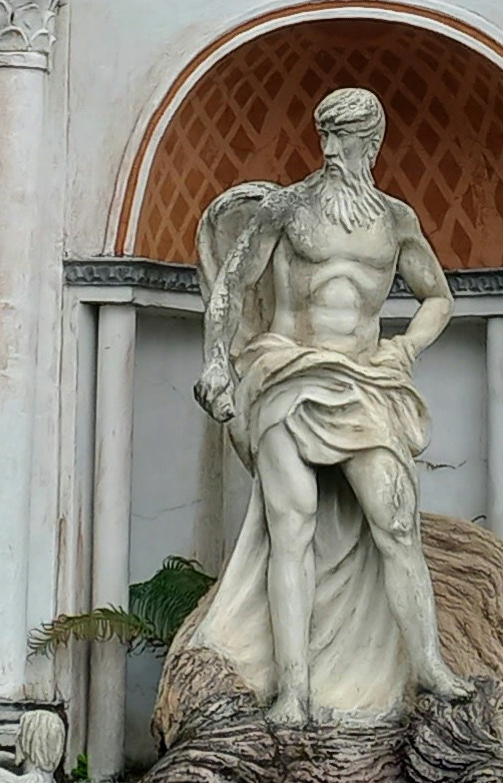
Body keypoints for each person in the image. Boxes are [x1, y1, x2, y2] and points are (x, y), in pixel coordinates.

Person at [177, 88, 470, 728]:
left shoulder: (395, 220)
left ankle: (428, 667)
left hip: (365, 378)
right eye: (325, 136)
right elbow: (232, 285)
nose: (331, 150)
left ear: (373, 142)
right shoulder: (287, 210)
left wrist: (406, 349)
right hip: (287, 371)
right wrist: (218, 360)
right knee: (293, 528)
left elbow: (438, 297)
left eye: (344, 137)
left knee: (396, 521)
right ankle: (293, 690)